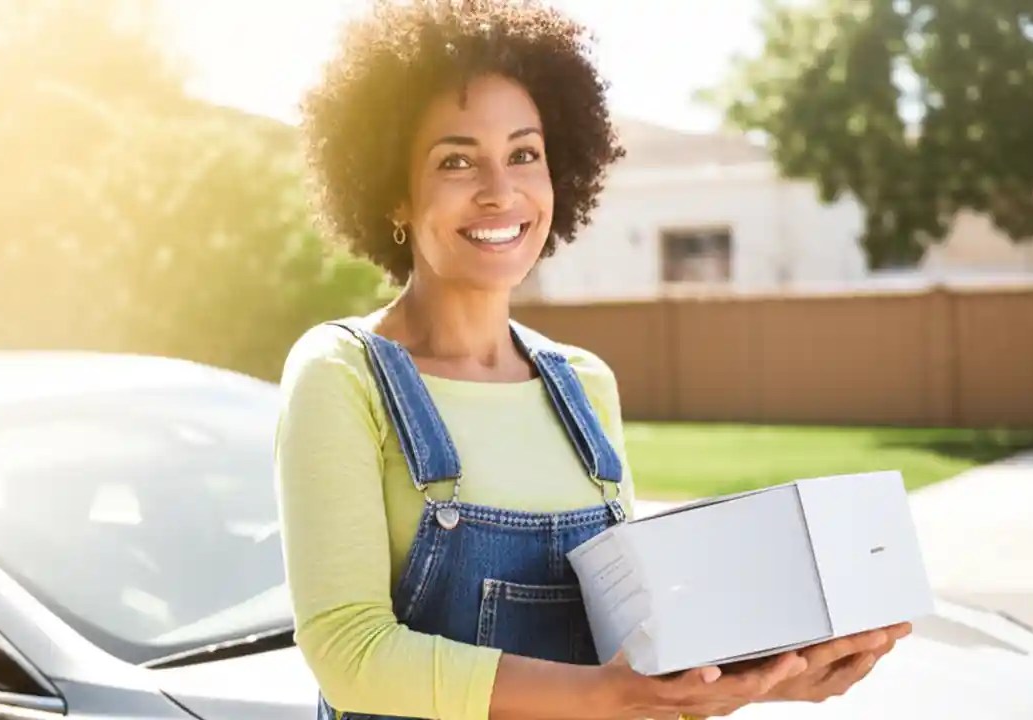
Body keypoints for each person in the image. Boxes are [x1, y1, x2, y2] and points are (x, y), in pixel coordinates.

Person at [274, 2, 911, 719]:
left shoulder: (583, 385)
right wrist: (606, 695)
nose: (500, 190)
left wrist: (756, 680)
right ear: (394, 193)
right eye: (456, 160)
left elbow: (632, 654)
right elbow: (351, 655)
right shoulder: (342, 373)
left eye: (524, 154)